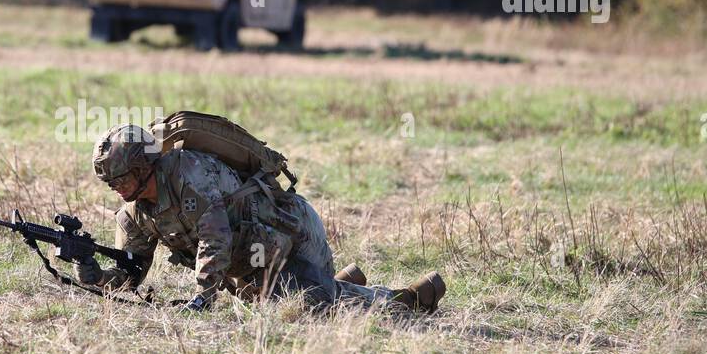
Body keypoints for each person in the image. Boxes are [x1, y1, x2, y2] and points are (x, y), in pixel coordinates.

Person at [76, 123, 446, 313]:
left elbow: (215, 237)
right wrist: (91, 272)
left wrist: (202, 297)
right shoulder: (134, 214)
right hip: (253, 263)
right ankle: (339, 283)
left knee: (309, 306)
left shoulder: (188, 172)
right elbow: (130, 274)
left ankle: (408, 302)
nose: (115, 187)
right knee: (289, 298)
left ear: (144, 166)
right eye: (108, 181)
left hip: (292, 233)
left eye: (120, 177)